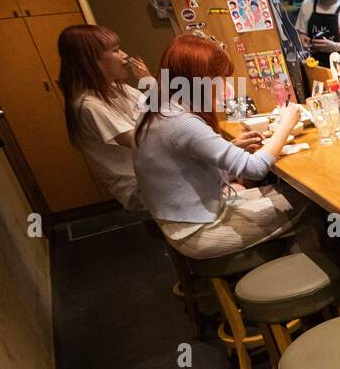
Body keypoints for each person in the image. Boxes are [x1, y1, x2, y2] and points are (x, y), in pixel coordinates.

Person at [133, 34, 312, 260]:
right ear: (202, 79)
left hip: (185, 220)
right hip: (200, 232)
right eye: (220, 79)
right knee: (313, 204)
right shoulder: (181, 123)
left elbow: (184, 162)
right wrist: (287, 122)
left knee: (290, 193)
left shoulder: (158, 107)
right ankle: (308, 275)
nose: (224, 87)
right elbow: (255, 168)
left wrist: (231, 146)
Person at [57, 24, 151, 211]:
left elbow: (165, 114)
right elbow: (143, 141)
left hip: (156, 172)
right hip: (140, 188)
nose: (125, 56)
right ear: (90, 61)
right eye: (116, 51)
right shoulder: (88, 106)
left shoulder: (119, 89)